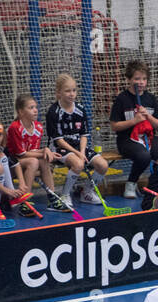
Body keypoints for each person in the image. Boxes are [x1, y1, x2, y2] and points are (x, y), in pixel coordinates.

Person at [45, 73, 111, 206]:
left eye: (74, 90)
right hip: (60, 148)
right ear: (59, 93)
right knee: (78, 164)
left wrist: (81, 151)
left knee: (103, 165)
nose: (71, 94)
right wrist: (78, 154)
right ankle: (65, 194)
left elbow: (84, 135)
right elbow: (59, 141)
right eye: (67, 91)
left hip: (78, 147)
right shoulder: (53, 112)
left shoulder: (80, 109)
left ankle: (87, 192)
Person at [110, 61, 158, 199]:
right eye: (137, 79)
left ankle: (156, 185)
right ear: (129, 80)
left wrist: (148, 117)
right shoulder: (122, 99)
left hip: (148, 137)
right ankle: (131, 184)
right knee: (144, 156)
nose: (141, 82)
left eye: (144, 79)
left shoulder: (151, 99)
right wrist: (134, 121)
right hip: (127, 139)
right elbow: (114, 125)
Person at [7, 94, 60, 212]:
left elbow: (33, 151)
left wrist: (46, 151)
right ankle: (24, 201)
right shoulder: (15, 128)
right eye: (31, 108)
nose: (35, 110)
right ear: (20, 112)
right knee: (33, 161)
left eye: (35, 107)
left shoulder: (38, 127)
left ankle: (53, 198)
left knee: (43, 160)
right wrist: (43, 152)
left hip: (25, 159)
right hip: (11, 164)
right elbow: (21, 154)